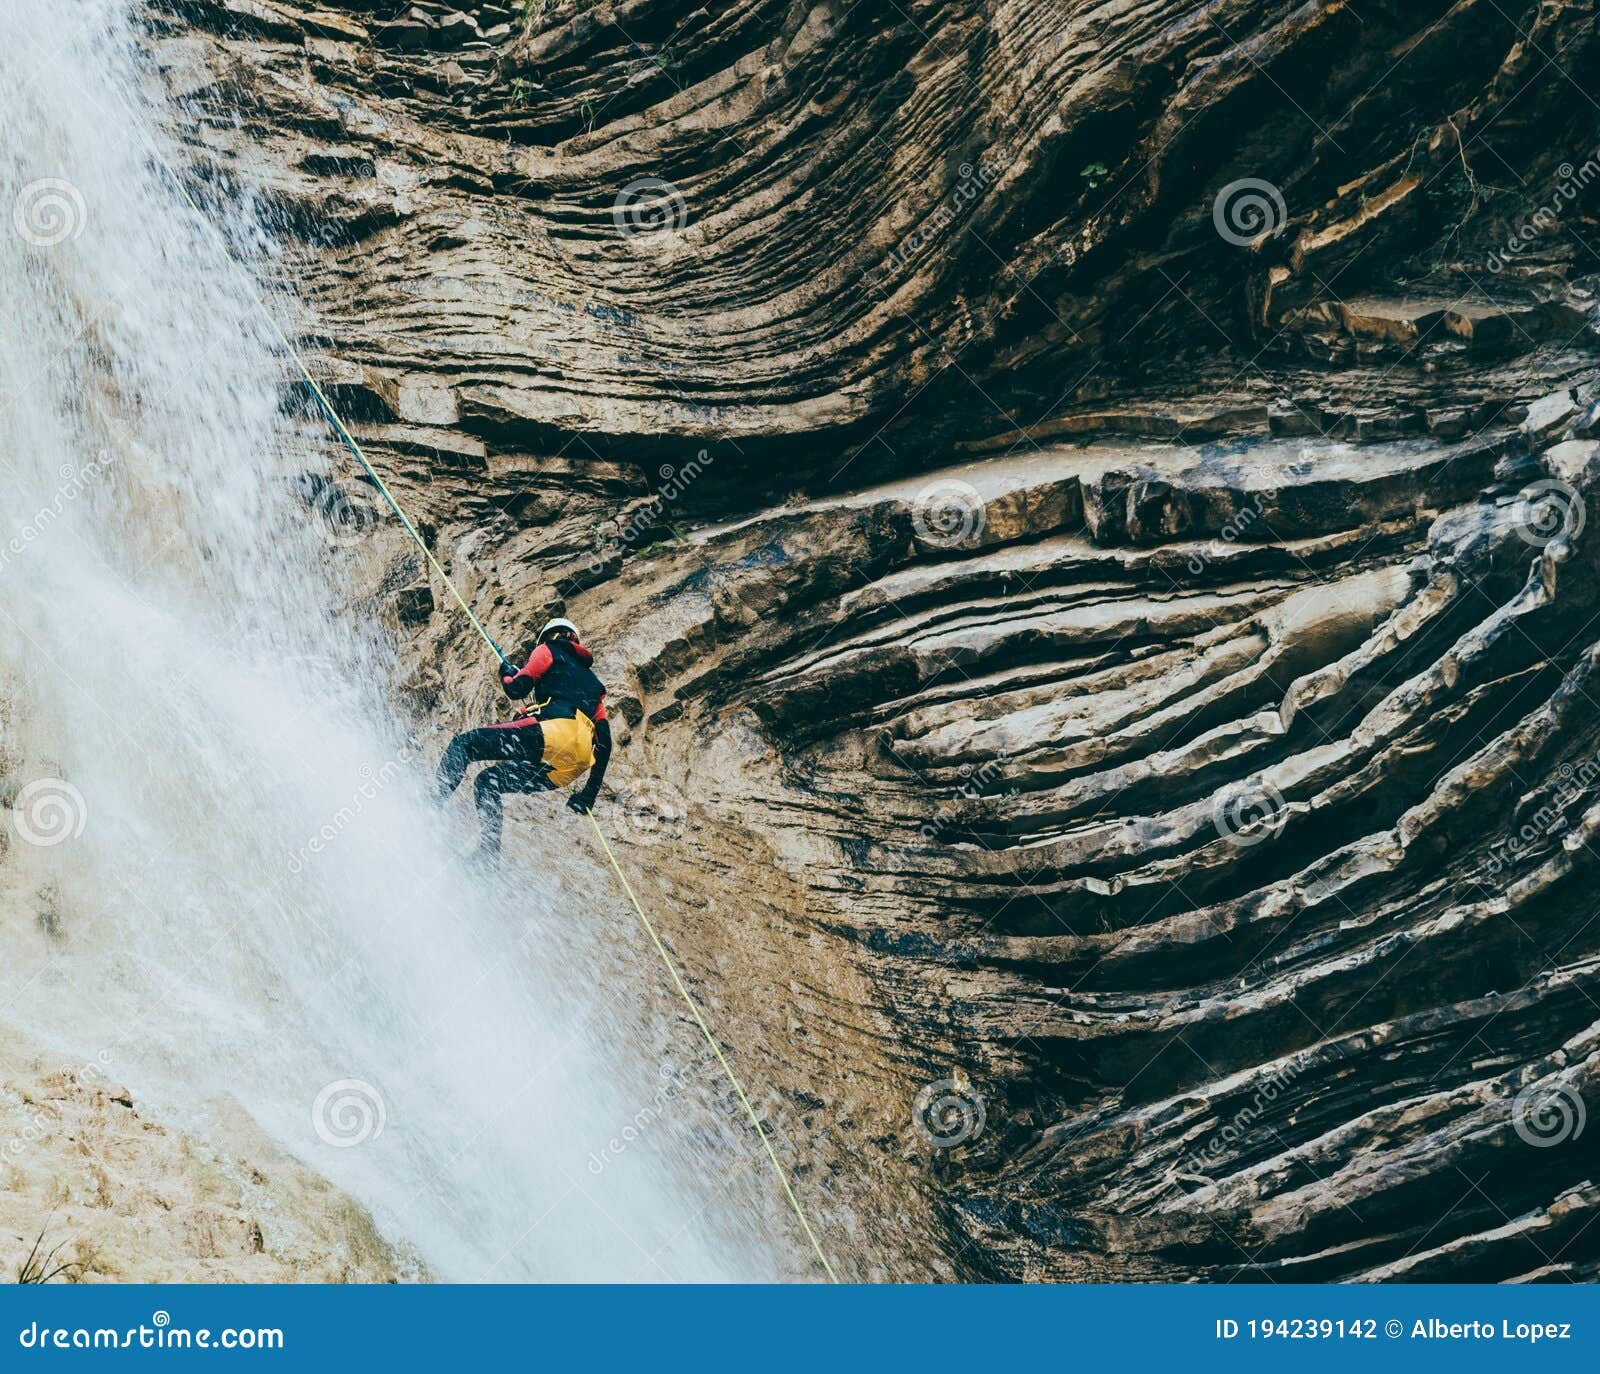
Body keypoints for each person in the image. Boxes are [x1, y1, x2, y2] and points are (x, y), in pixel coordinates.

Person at [434, 617, 612, 857]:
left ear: (553, 636)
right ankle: (486, 859)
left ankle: (432, 804)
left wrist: (506, 675)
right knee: (488, 781)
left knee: (464, 744)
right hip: (571, 764)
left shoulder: (548, 649)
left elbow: (517, 688)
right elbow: (604, 743)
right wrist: (588, 795)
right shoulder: (595, 687)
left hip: (551, 733)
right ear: (575, 639)